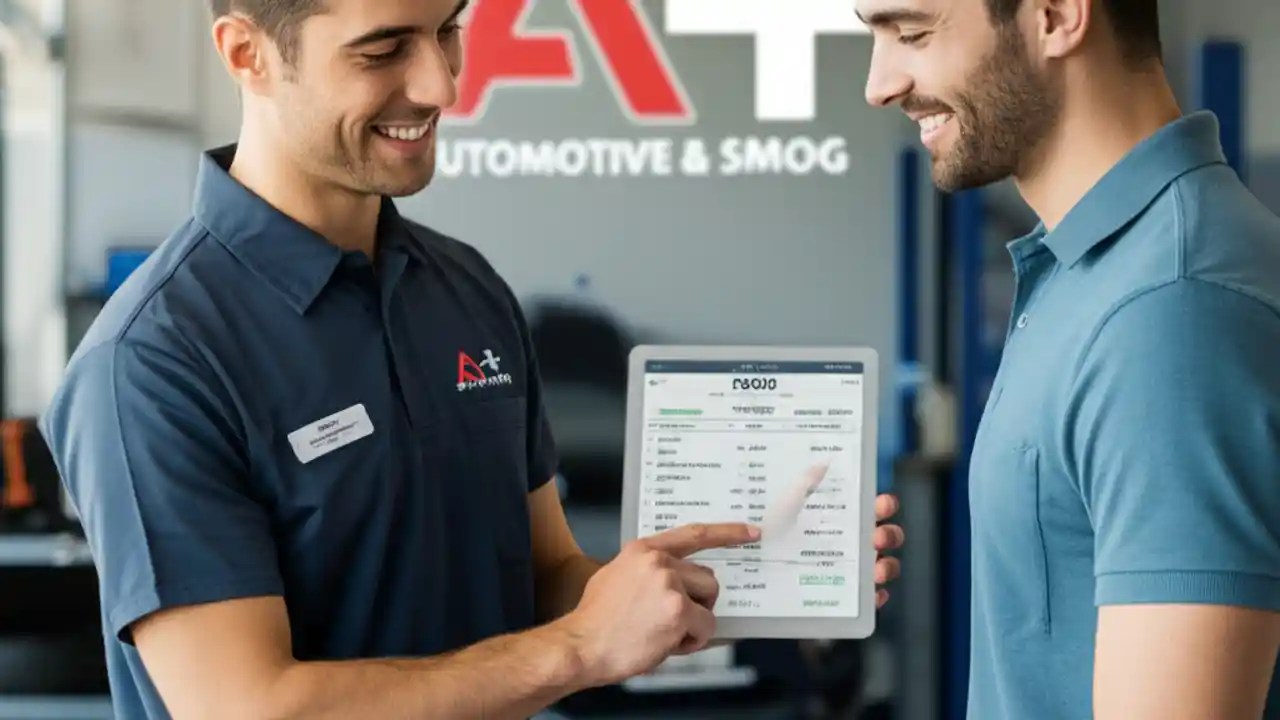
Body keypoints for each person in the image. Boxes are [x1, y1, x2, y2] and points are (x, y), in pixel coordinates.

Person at [39, 0, 906, 718]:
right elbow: (252, 707)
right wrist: (577, 649)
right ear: (248, 54)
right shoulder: (152, 362)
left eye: (448, 30)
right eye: (384, 49)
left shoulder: (465, 290)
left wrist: (744, 578)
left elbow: (550, 576)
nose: (441, 84)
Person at [856, 0, 1280, 717]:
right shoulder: (1096, 273)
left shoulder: (1169, 310)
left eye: (914, 33)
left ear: (1055, 16)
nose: (879, 84)